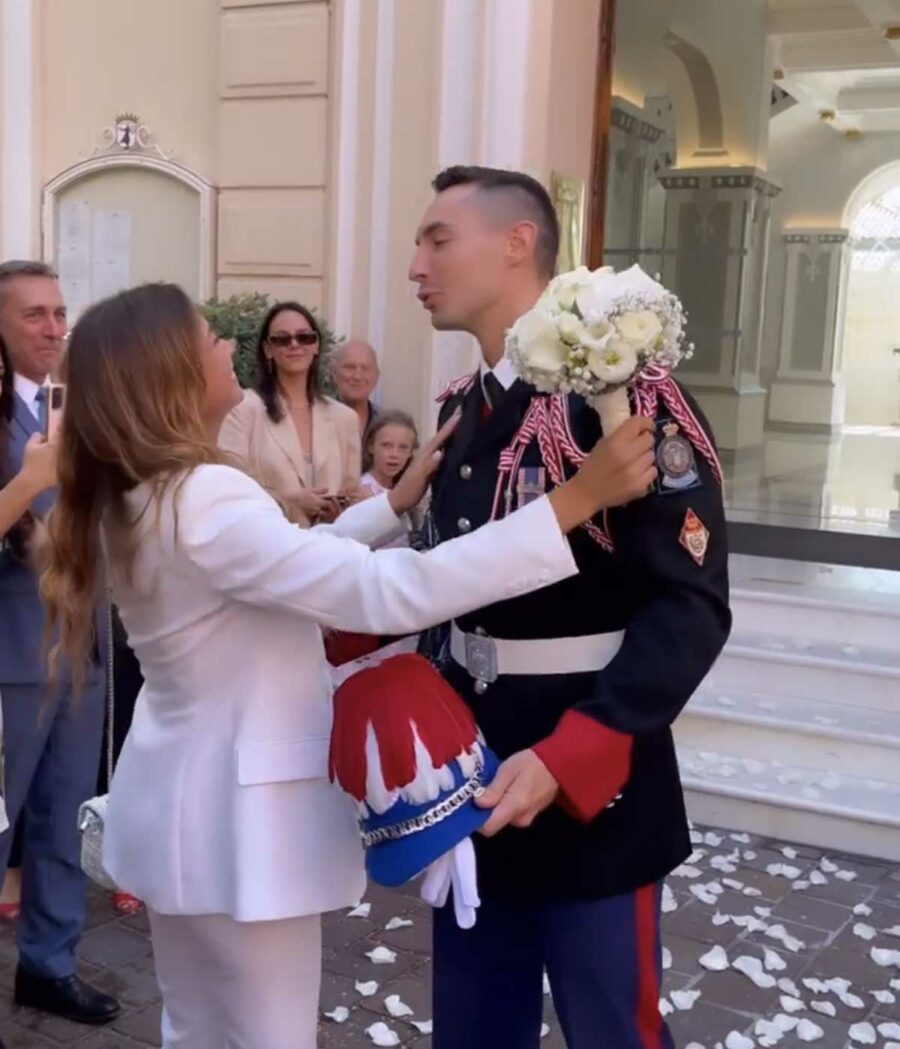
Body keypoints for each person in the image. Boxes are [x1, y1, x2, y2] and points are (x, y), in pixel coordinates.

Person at [40, 281, 655, 1049]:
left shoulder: (143, 491)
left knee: (194, 1028)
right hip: (242, 824)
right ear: (170, 373)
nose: (227, 347)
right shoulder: (206, 494)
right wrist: (569, 504)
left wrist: (390, 504)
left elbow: (278, 568)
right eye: (208, 338)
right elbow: (381, 591)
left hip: (178, 808)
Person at [409, 166, 732, 1049]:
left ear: (518, 242)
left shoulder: (620, 390)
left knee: (611, 1028)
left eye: (438, 239)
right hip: (477, 772)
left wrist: (575, 752)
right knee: (474, 1027)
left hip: (593, 780)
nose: (416, 265)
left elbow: (690, 604)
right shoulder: (465, 409)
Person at [0, 260, 120, 1026]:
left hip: (81, 650)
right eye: (34, 313)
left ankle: (49, 964)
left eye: (59, 311)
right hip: (9, 657)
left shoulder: (77, 408)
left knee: (64, 820)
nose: (53, 327)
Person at [219, 302, 360, 526]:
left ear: (316, 345)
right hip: (267, 540)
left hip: (329, 543)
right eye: (282, 339)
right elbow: (230, 490)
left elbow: (352, 497)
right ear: (268, 349)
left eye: (304, 337)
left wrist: (338, 512)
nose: (294, 345)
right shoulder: (242, 410)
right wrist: (288, 501)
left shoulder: (345, 418)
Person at [359, 409, 420, 546]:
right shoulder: (362, 491)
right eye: (386, 445)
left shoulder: (406, 489)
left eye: (403, 448)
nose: (394, 454)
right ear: (371, 446)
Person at [331, 339, 380, 441]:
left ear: (376, 376)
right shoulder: (316, 420)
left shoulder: (387, 424)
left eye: (365, 368)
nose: (357, 376)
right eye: (350, 367)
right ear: (334, 373)